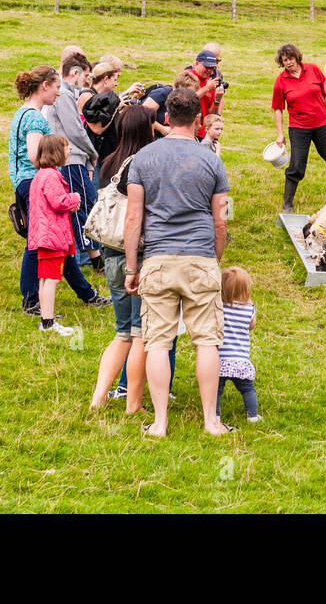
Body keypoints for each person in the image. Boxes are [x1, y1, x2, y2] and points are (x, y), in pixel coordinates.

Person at [124, 87, 231, 437]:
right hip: (199, 256)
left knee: (157, 342)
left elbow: (132, 218)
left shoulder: (144, 158)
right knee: (207, 342)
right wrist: (214, 258)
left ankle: (159, 421)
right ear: (199, 119)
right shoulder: (212, 161)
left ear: (166, 118)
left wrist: (131, 267)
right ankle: (211, 420)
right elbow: (221, 219)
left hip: (157, 256)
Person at [90, 104, 171, 412]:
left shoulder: (108, 161)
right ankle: (133, 403)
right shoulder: (146, 163)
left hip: (110, 254)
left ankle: (98, 397)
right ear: (145, 128)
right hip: (137, 256)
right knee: (140, 335)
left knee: (121, 332)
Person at [10, 65, 108, 315]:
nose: (58, 93)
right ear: (44, 86)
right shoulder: (34, 117)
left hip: (27, 183)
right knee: (39, 243)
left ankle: (85, 294)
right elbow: (34, 155)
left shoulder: (22, 113)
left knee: (57, 243)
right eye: (55, 87)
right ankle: (32, 300)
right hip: (36, 184)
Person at [271, 43, 326, 212]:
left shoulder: (313, 69)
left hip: (322, 125)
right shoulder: (281, 81)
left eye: (291, 58)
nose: (288, 63)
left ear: (297, 57)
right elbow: (278, 109)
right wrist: (280, 134)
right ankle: (287, 205)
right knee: (297, 165)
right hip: (299, 128)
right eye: (284, 60)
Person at [44, 53, 102, 274]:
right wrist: (91, 152)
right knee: (83, 205)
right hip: (70, 159)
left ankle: (84, 257)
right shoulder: (65, 95)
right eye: (86, 75)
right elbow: (75, 130)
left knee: (84, 203)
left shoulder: (68, 94)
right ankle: (93, 259)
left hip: (74, 158)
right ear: (75, 73)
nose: (87, 80)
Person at [27, 135, 81, 337]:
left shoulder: (41, 174)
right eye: (66, 148)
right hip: (52, 236)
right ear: (56, 151)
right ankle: (48, 323)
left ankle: (46, 319)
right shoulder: (50, 176)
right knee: (51, 279)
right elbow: (58, 202)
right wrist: (74, 198)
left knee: (45, 279)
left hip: (45, 235)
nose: (69, 151)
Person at [216, 267, 259, 423]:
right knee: (248, 389)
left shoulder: (220, 307)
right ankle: (252, 415)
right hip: (240, 360)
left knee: (216, 391)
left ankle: (215, 415)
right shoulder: (248, 309)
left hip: (220, 359)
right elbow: (251, 325)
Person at [187, 50, 225, 141]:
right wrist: (207, 88)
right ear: (197, 63)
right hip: (187, 130)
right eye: (206, 67)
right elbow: (186, 99)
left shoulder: (211, 82)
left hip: (202, 134)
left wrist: (217, 100)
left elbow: (210, 115)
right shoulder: (188, 76)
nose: (210, 71)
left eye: (212, 68)